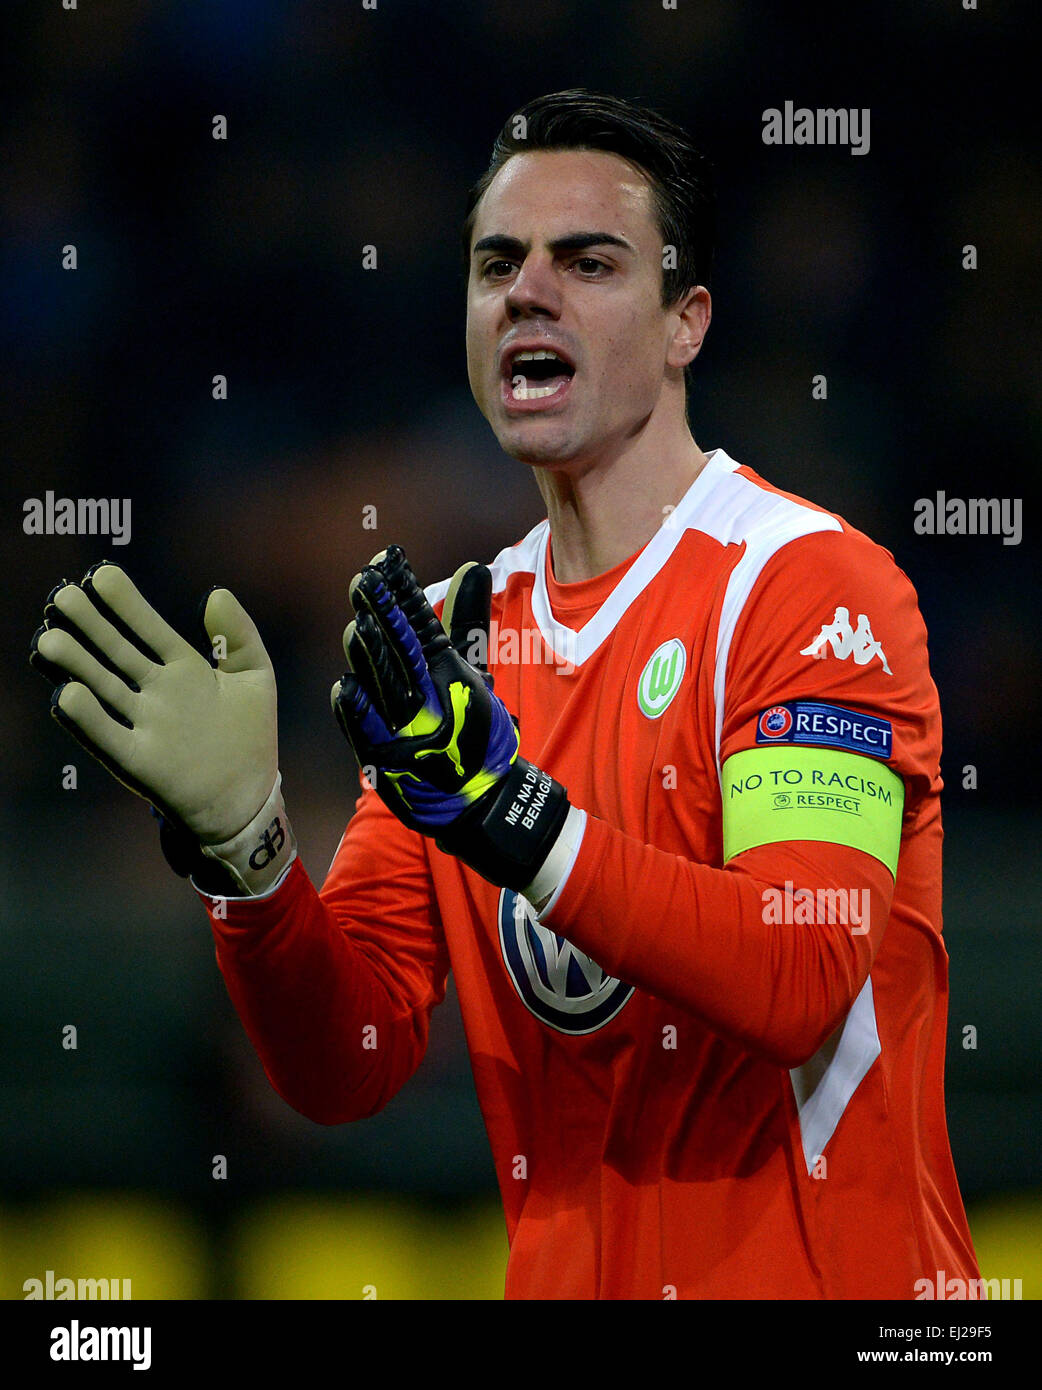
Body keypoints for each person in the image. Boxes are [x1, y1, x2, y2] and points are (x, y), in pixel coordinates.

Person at [31, 89, 981, 1300]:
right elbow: (350, 1062)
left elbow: (798, 978)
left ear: (686, 321)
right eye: (496, 265)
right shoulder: (452, 636)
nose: (528, 291)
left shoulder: (806, 590)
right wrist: (250, 859)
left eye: (588, 261)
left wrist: (512, 815)